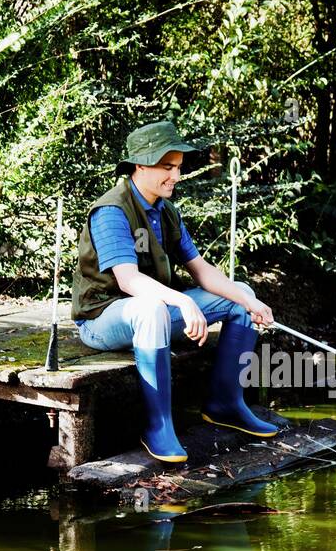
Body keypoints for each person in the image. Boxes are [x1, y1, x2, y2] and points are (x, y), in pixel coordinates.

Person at [71, 120, 281, 462]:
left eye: (179, 168)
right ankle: (159, 427)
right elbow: (128, 281)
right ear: (140, 165)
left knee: (238, 294)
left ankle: (225, 403)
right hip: (102, 318)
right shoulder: (111, 210)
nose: (176, 177)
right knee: (151, 307)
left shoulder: (166, 210)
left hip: (152, 312)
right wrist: (182, 300)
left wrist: (251, 301)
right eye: (167, 168)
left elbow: (200, 269)